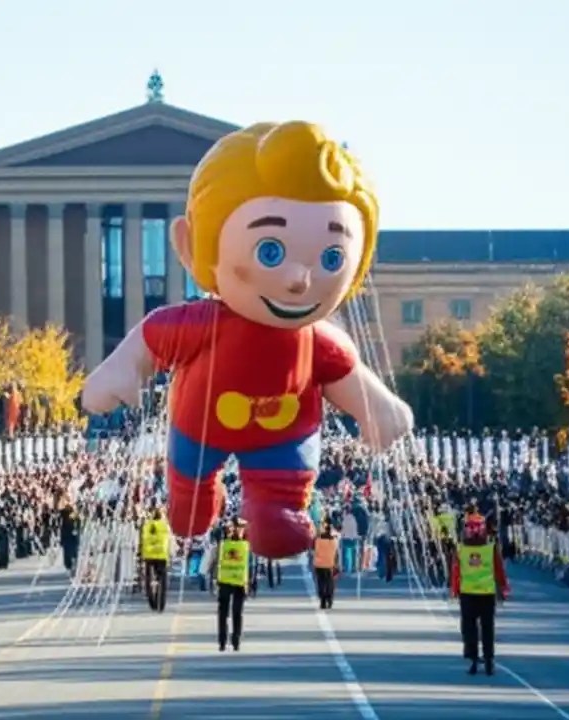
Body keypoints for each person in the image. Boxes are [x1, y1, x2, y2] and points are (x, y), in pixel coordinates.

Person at [80, 121, 414, 560]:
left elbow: (347, 375)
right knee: (189, 503)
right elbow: (149, 338)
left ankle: (275, 508)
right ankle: (193, 497)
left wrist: (379, 408)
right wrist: (119, 371)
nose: (299, 279)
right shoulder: (202, 323)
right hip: (199, 428)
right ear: (191, 245)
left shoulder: (318, 341)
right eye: (270, 251)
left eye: (332, 258)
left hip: (285, 436)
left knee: (282, 523)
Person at [450, 513, 509, 676]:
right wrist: (503, 588)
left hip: (468, 593)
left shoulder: (461, 549)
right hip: (487, 592)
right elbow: (499, 570)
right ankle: (489, 659)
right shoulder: (490, 547)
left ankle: (474, 659)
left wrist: (454, 589)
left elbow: (456, 571)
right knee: (487, 627)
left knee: (469, 629)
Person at [216, 520, 251, 651]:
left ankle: (236, 639)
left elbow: (249, 565)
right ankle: (222, 641)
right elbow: (216, 560)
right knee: (223, 614)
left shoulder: (246, 545)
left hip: (239, 584)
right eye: (237, 528)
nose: (239, 530)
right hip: (225, 582)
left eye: (241, 528)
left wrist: (250, 583)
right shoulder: (224, 544)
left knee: (237, 612)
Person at [140, 507, 172, 612]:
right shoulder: (165, 525)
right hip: (161, 555)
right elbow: (169, 541)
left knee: (148, 579)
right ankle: (160, 603)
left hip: (149, 555)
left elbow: (142, 539)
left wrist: (140, 552)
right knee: (162, 579)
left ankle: (152, 602)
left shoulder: (147, 525)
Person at [313, 520, 339, 609]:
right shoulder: (334, 541)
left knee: (321, 582)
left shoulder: (318, 540)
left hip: (319, 564)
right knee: (330, 582)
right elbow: (336, 554)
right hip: (330, 564)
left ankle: (322, 600)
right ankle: (330, 598)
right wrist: (336, 564)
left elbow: (314, 550)